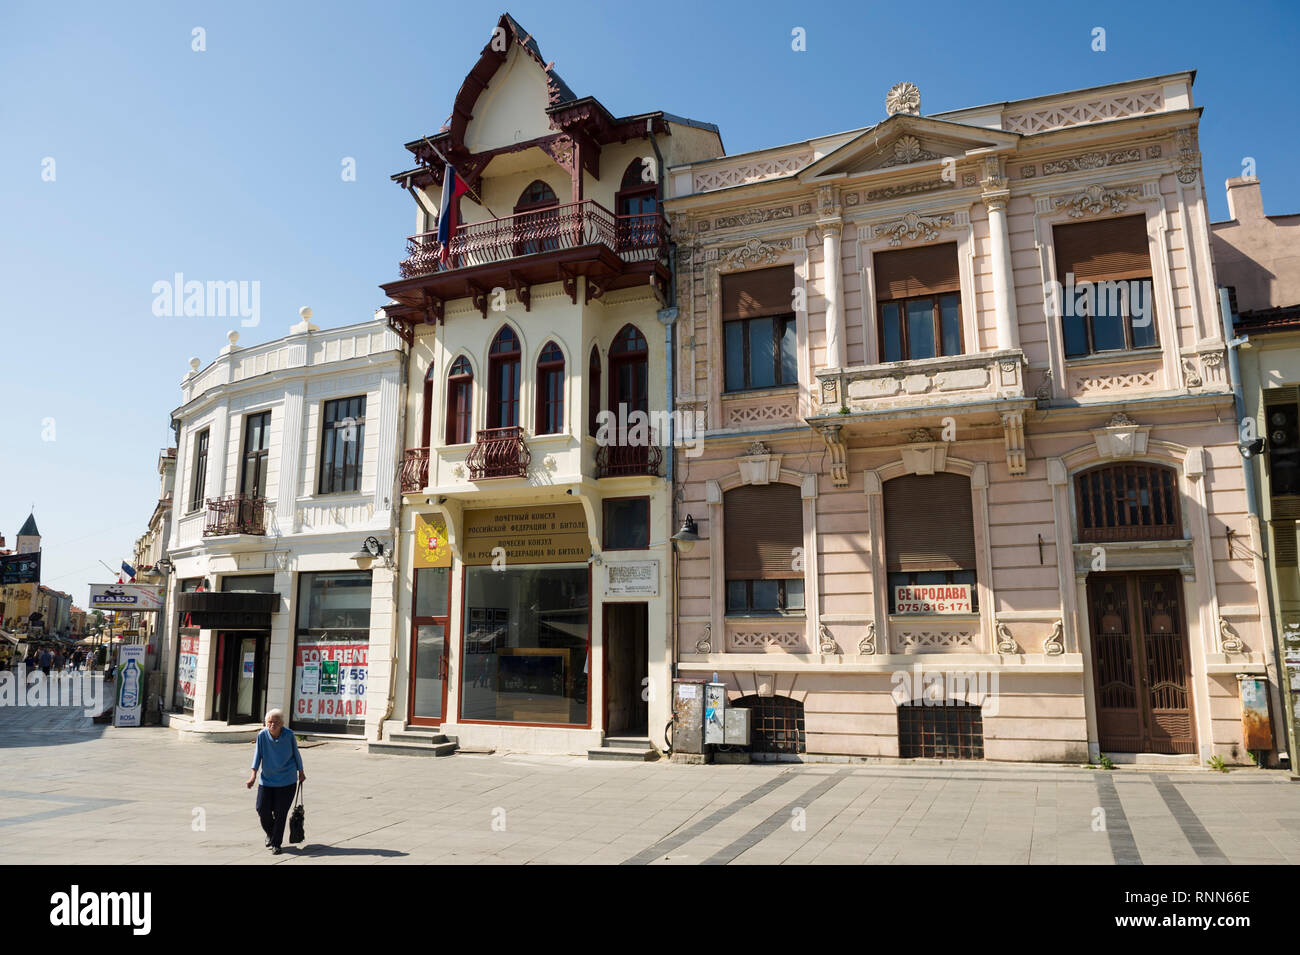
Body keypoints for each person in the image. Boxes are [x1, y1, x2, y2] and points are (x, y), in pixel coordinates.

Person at [245, 709, 305, 855]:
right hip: (267, 780)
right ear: (266, 723)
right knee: (261, 809)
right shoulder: (262, 735)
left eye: (276, 722)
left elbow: (296, 753)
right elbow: (257, 755)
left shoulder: (289, 735)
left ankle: (276, 843)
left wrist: (301, 772)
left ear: (282, 723)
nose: (272, 724)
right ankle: (271, 834)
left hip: (287, 780)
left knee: (280, 813)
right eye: (270, 722)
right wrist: (253, 776)